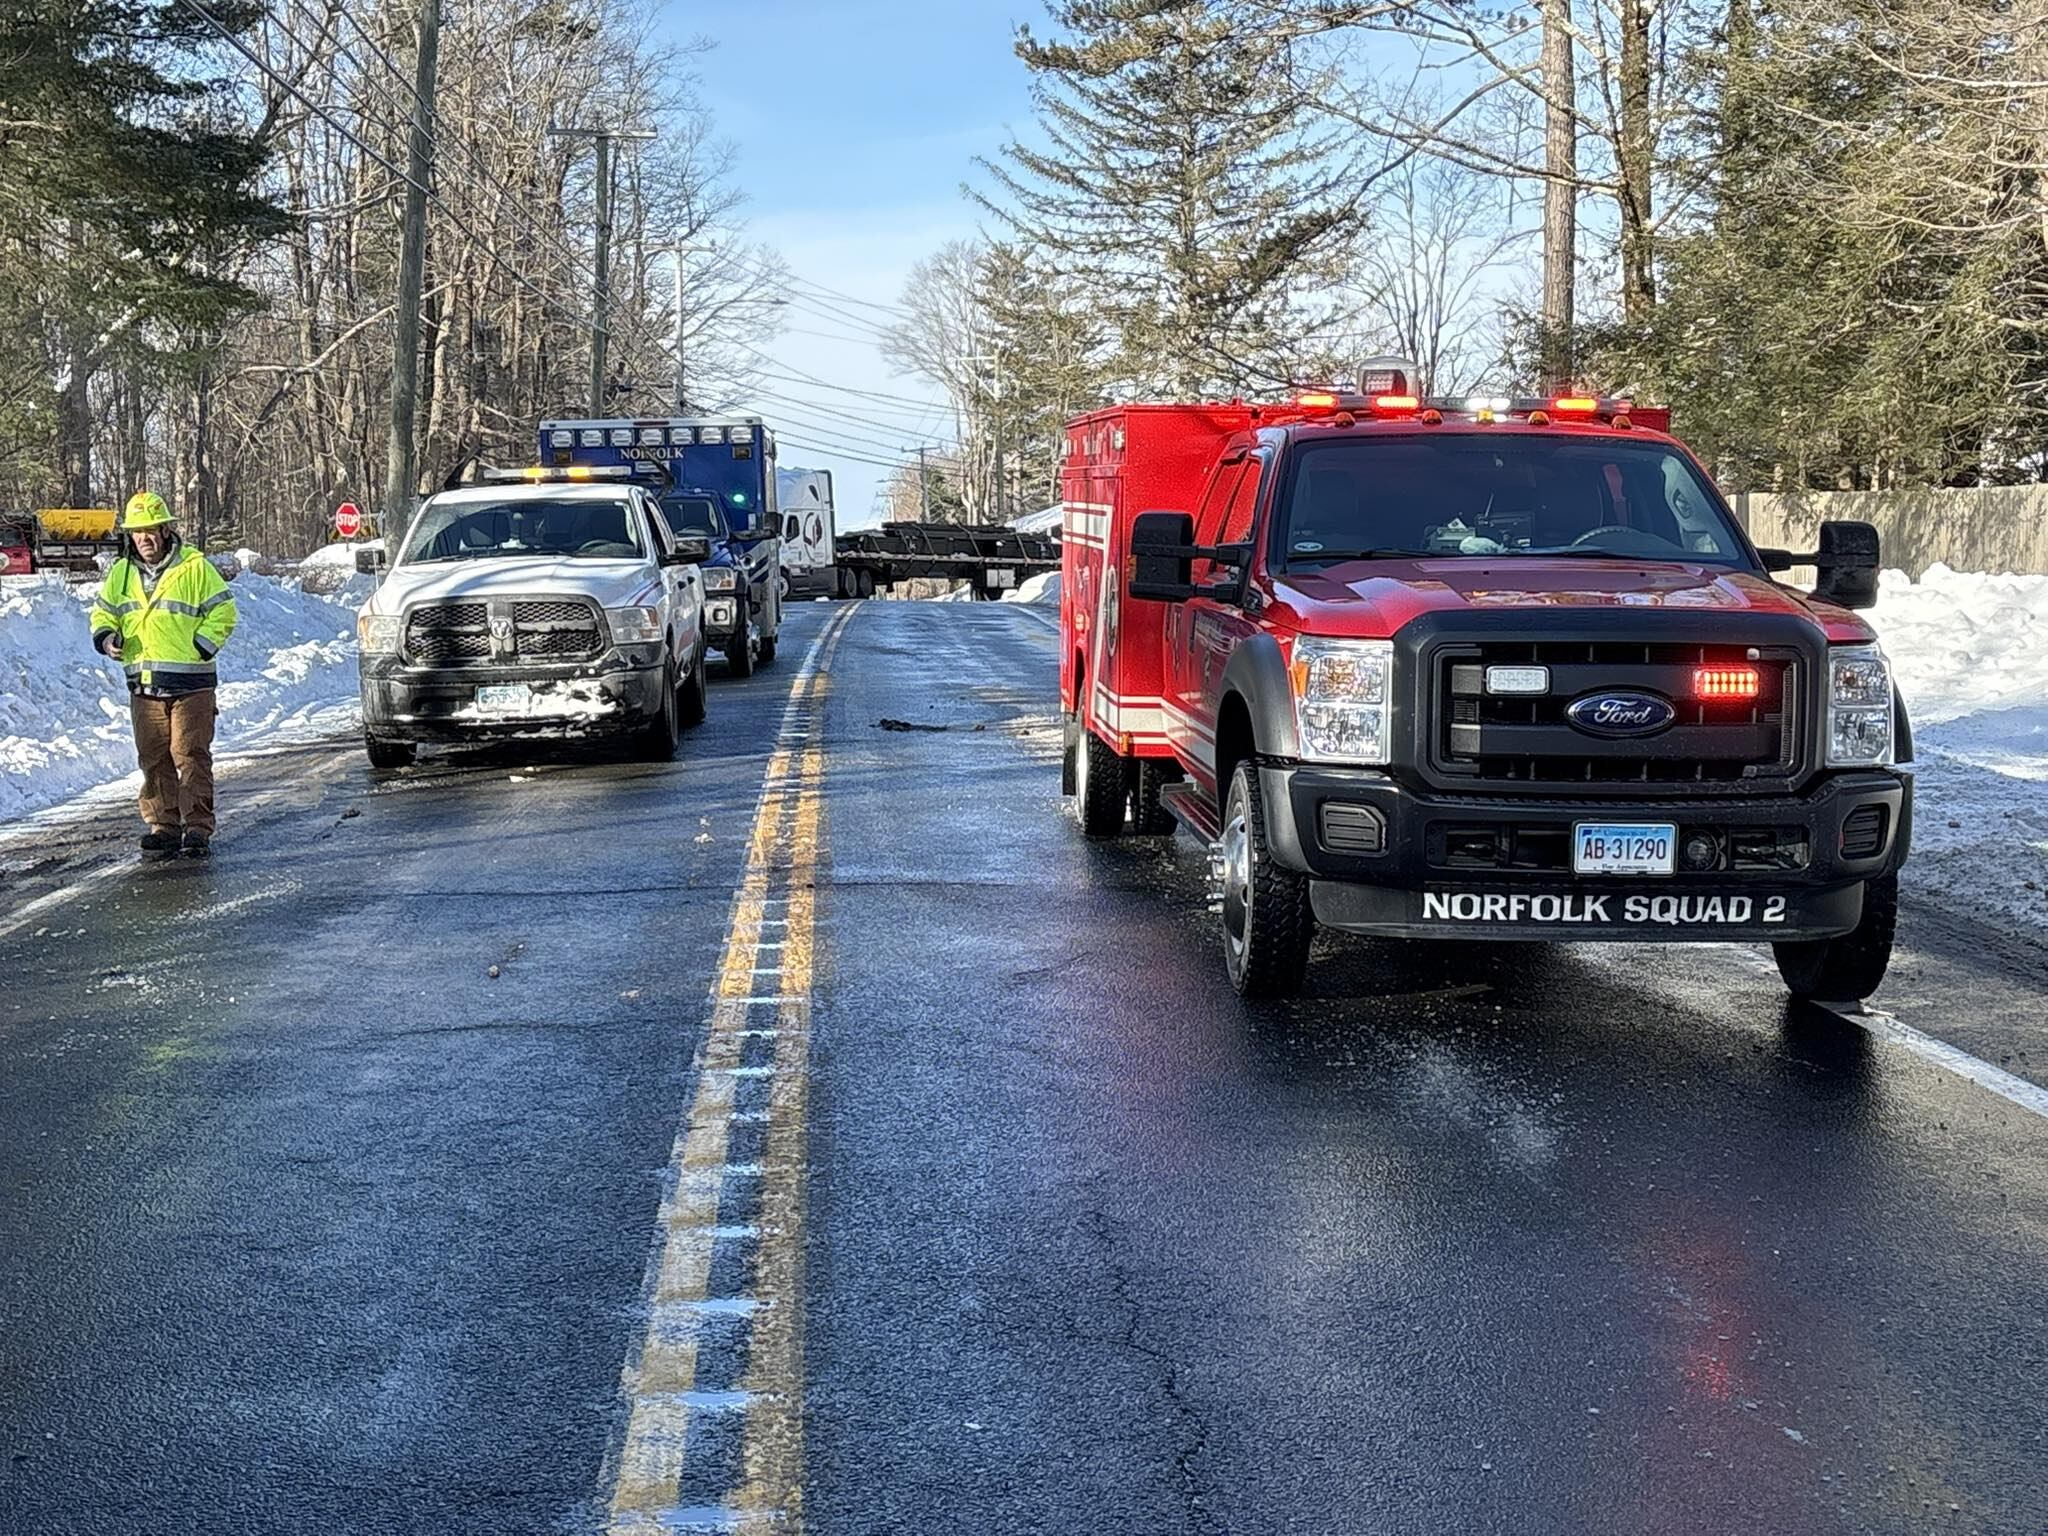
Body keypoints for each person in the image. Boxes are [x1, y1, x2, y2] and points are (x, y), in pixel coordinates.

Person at [89, 492, 238, 857]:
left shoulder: (194, 566)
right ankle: (164, 825)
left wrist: (202, 645)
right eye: (137, 532)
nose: (144, 538)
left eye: (151, 530)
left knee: (188, 754)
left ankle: (198, 827)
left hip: (191, 684)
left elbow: (224, 611)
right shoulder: (121, 574)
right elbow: (103, 614)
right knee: (154, 757)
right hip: (144, 685)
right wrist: (107, 638)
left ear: (166, 529)